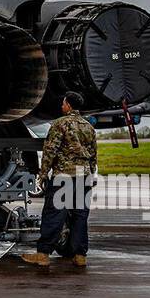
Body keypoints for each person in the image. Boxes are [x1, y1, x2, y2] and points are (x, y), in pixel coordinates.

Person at [23, 91, 97, 268]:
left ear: (69, 105)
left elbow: (50, 152)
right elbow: (93, 154)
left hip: (64, 176)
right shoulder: (88, 127)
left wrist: (42, 174)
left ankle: (43, 254)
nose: (62, 105)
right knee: (80, 216)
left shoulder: (60, 124)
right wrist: (91, 172)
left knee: (54, 215)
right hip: (84, 176)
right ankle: (80, 256)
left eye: (64, 103)